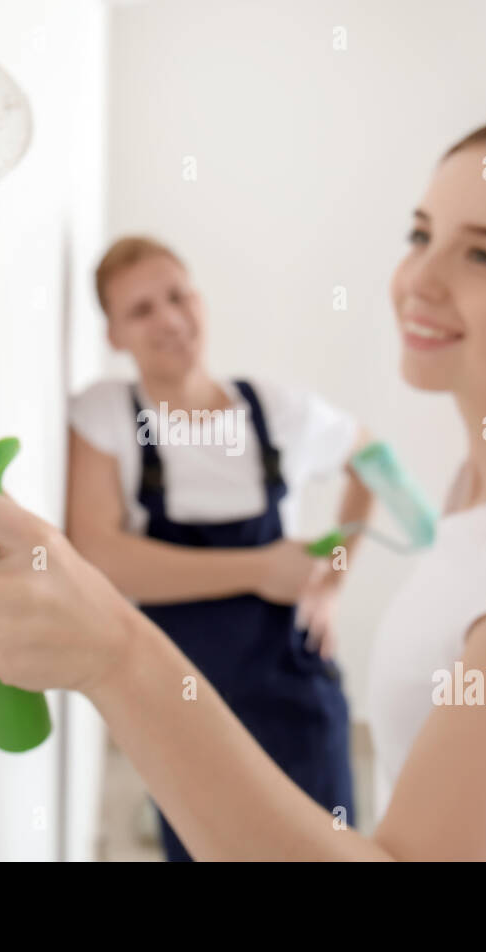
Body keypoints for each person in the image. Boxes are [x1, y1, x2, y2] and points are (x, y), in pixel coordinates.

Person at [0, 113, 486, 860]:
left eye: (484, 256)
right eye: (421, 236)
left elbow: (368, 460)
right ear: (113, 334)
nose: (419, 279)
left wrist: (120, 657)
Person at [64, 236, 373, 860]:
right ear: (114, 336)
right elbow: (100, 553)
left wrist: (332, 581)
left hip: (293, 687)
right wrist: (264, 568)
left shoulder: (276, 411)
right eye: (141, 310)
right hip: (181, 701)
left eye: (177, 296)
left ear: (200, 301)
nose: (170, 320)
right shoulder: (106, 415)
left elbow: (373, 462)